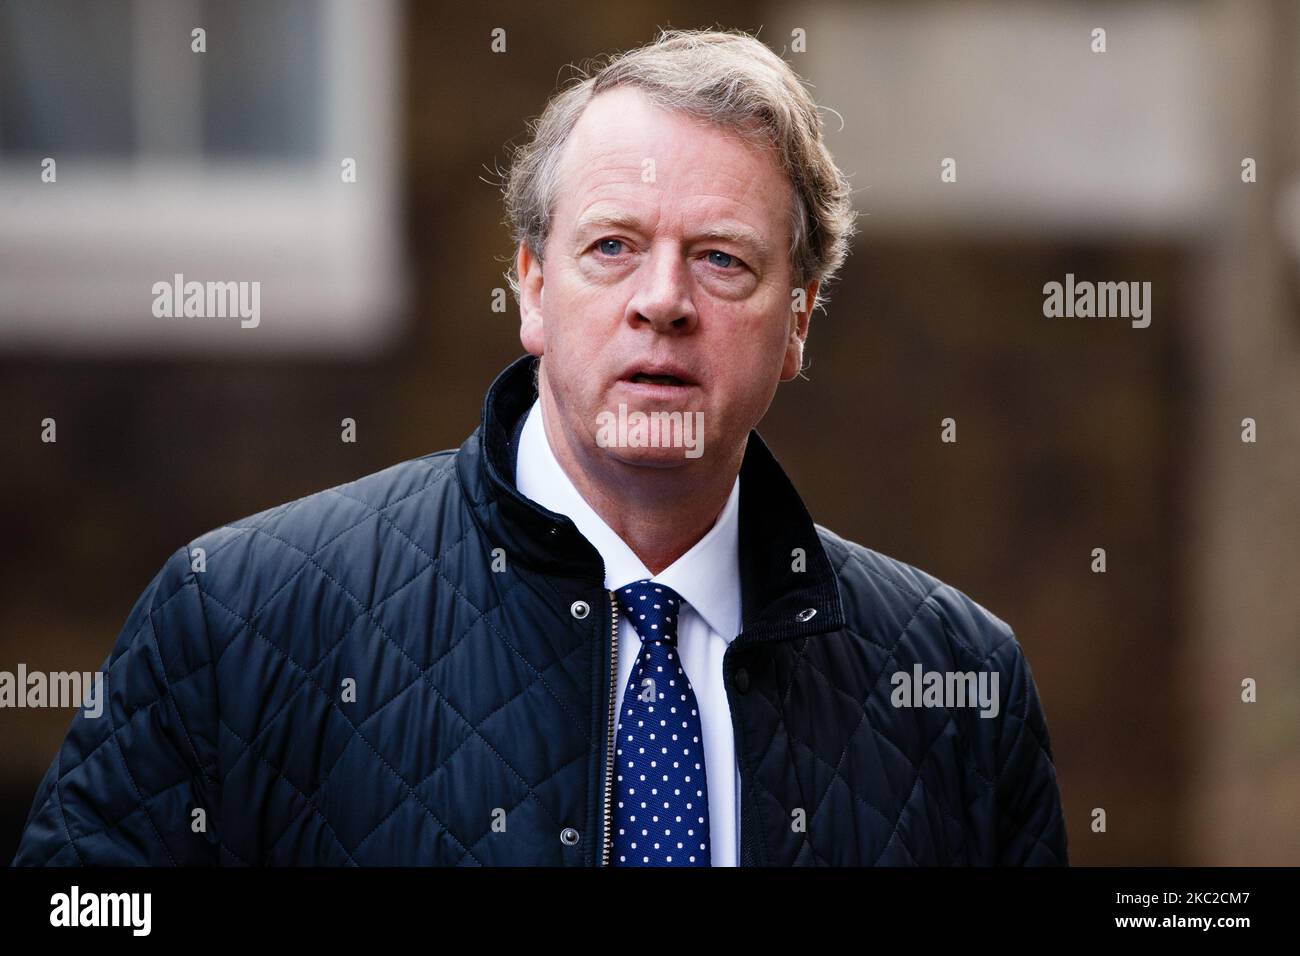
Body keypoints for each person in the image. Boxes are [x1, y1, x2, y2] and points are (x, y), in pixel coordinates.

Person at [13, 28, 1067, 867]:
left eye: (722, 260)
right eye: (612, 247)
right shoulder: (236, 620)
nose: (662, 301)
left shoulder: (955, 683)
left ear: (797, 322)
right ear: (531, 287)